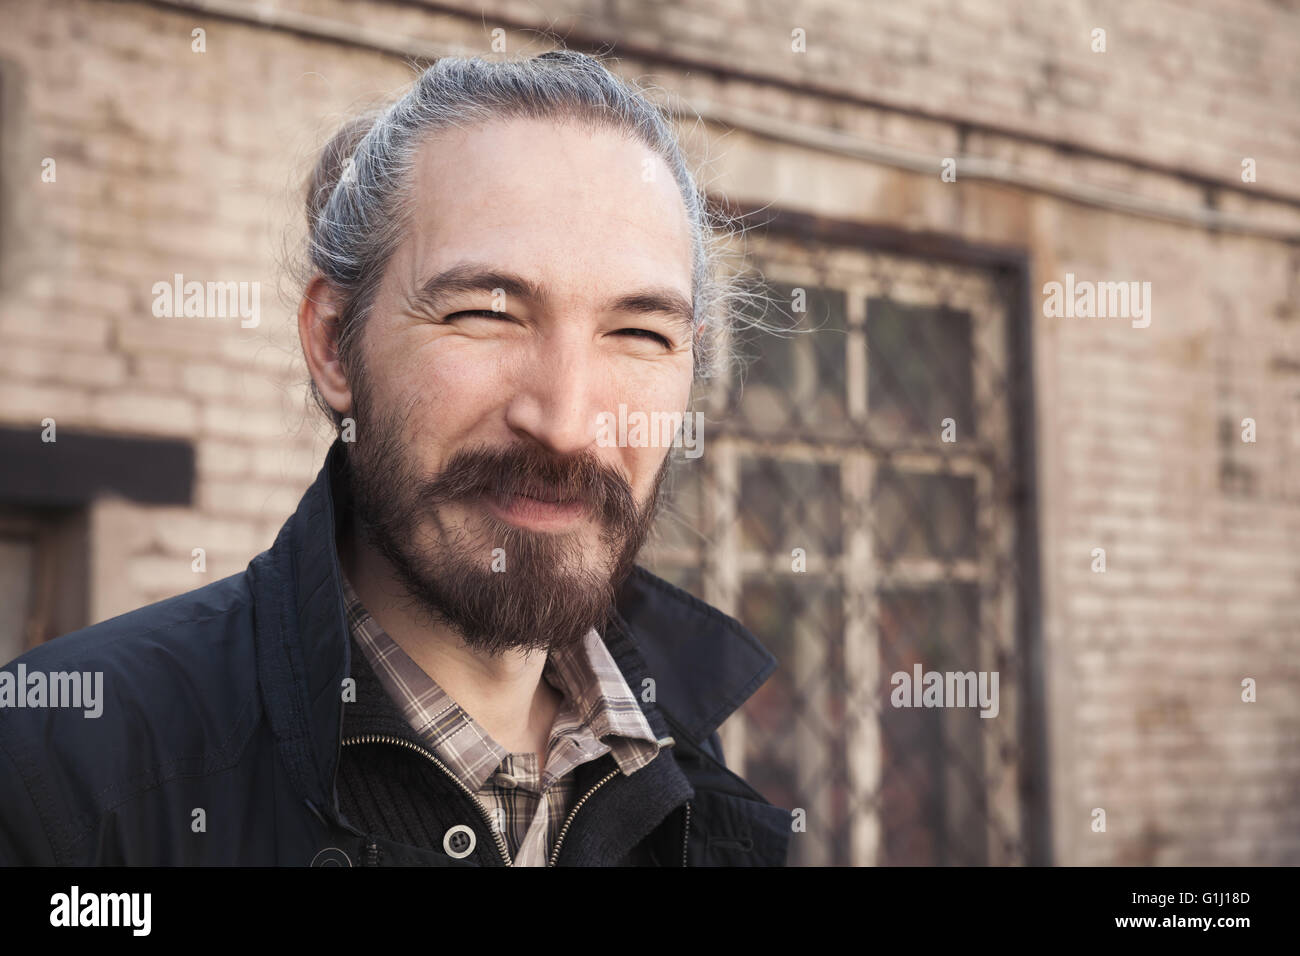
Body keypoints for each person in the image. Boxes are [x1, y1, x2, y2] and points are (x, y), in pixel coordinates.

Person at [0, 49, 789, 866]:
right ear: (335, 345)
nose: (562, 421)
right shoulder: (61, 781)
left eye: (637, 333)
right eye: (487, 314)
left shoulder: (705, 802)